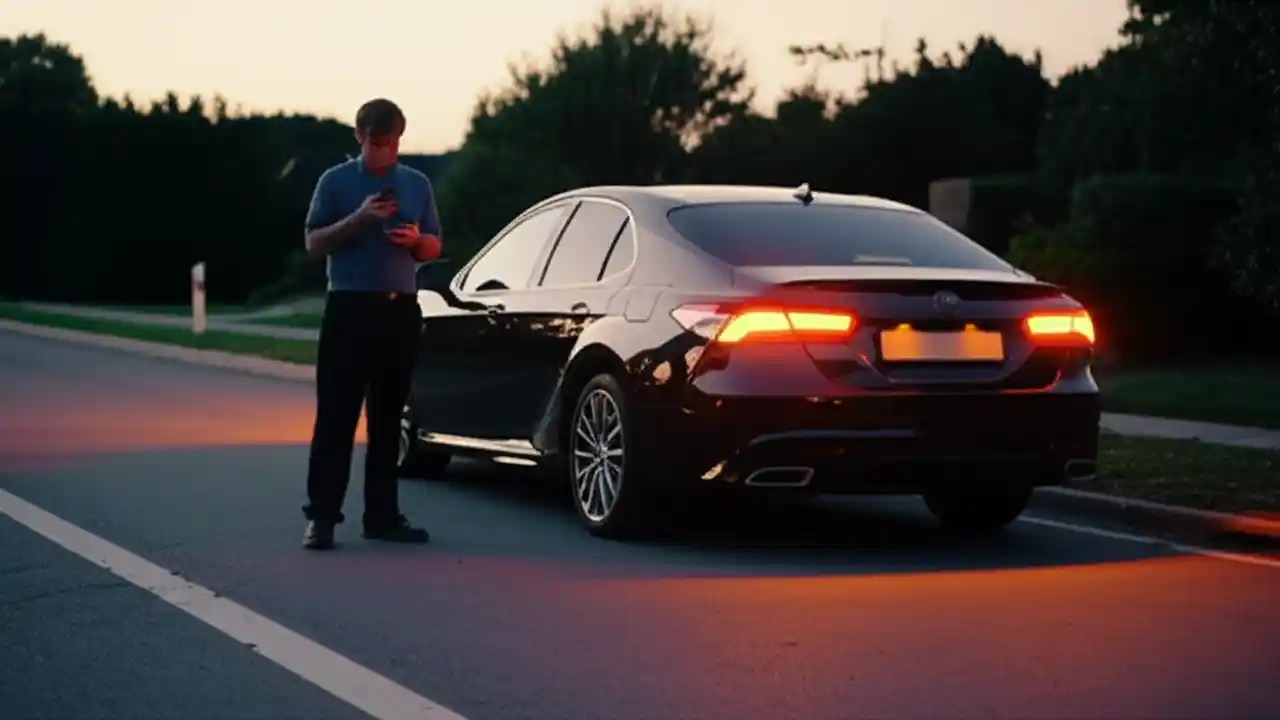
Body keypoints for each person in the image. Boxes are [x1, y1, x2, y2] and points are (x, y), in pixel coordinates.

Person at [300, 98, 443, 550]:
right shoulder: (336, 181)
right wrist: (361, 218)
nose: (385, 152)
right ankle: (322, 516)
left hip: (399, 309)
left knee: (388, 418)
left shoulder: (416, 183)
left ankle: (382, 515)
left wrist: (416, 240)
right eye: (377, 143)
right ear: (359, 136)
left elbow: (434, 246)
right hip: (350, 307)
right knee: (337, 416)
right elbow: (314, 242)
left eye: (392, 144)